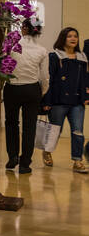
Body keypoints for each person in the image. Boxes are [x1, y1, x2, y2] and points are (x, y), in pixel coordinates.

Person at [5, 19, 49, 173]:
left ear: (23, 28)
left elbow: (4, 67)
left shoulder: (11, 46)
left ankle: (12, 157)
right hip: (32, 89)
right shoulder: (42, 50)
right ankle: (25, 164)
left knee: (11, 123)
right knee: (29, 127)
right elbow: (44, 76)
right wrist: (41, 91)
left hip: (12, 88)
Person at [42, 27, 88, 172]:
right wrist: (47, 101)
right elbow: (50, 80)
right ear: (63, 38)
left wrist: (86, 97)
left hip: (77, 103)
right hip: (58, 102)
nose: (73, 39)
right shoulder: (54, 56)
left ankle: (77, 160)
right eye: (69, 36)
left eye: (75, 36)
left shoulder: (82, 58)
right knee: (55, 131)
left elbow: (85, 80)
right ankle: (47, 151)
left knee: (78, 132)